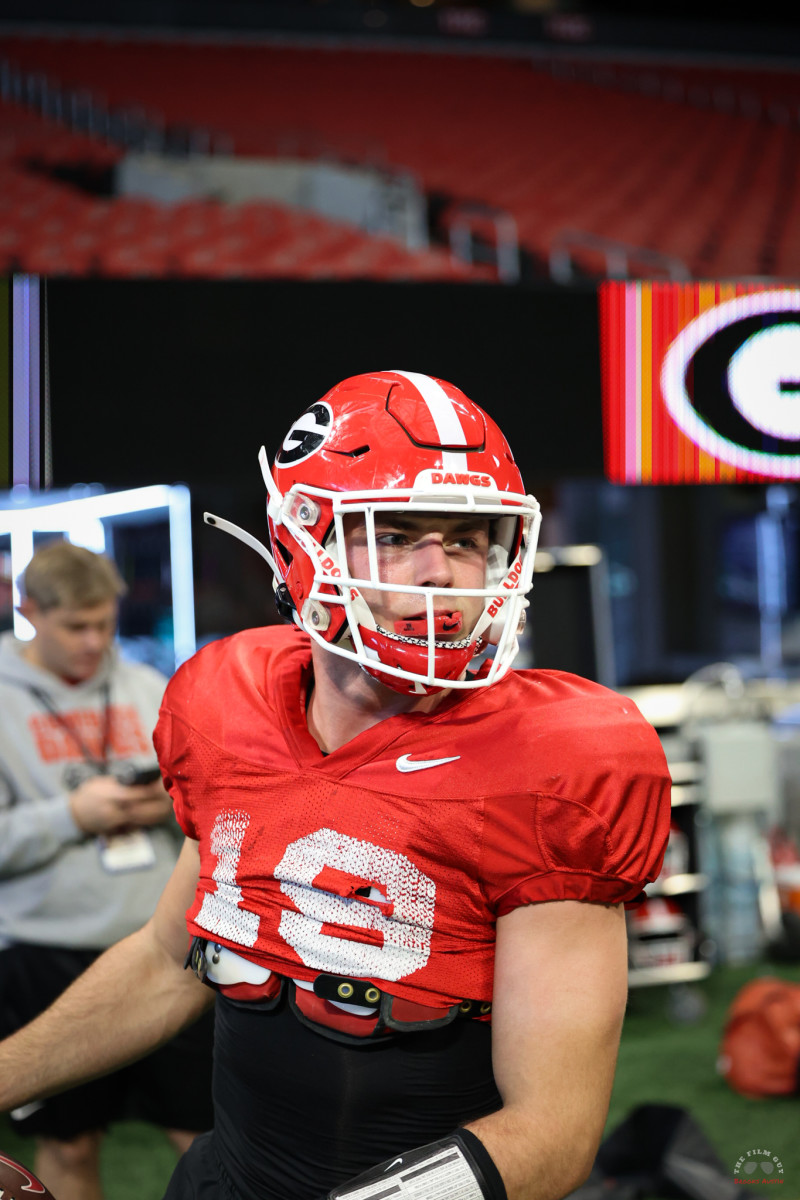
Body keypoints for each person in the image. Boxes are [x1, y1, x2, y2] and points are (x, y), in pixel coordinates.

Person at [0, 371, 672, 1200]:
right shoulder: (225, 702)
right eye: (395, 533)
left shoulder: (556, 761)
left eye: (467, 538)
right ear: (300, 543)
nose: (442, 574)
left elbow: (553, 1132)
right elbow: (170, 960)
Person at [0, 541, 213, 1200]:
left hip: (167, 950)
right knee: (69, 1144)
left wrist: (170, 803)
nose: (95, 641)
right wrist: (74, 814)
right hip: (46, 954)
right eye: (76, 626)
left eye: (105, 623)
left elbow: (212, 819)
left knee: (209, 1139)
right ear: (30, 611)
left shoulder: (148, 686)